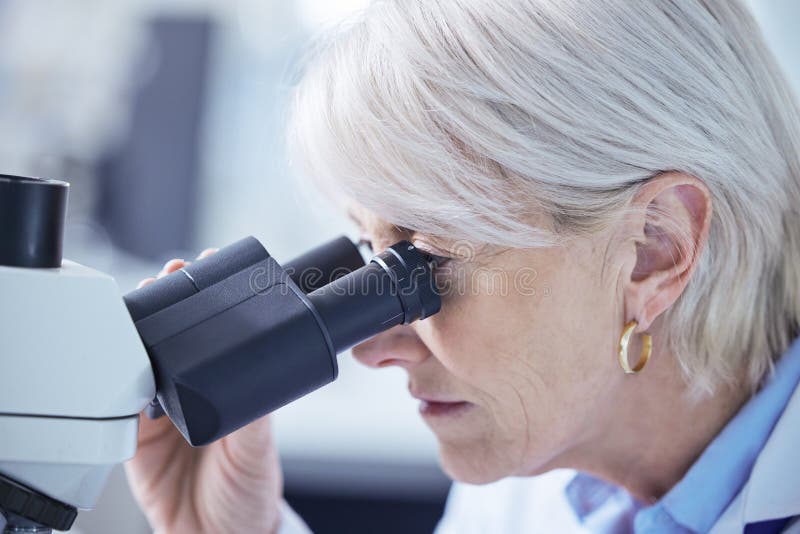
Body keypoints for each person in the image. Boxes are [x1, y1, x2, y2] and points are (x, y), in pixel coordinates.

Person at [125, 1, 800, 532]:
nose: (374, 350)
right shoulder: (533, 483)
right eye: (371, 254)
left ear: (655, 249)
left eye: (428, 261)